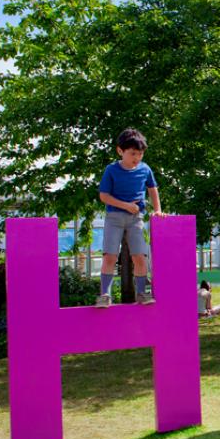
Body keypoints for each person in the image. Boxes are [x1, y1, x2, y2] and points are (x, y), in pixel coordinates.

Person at [96, 128, 163, 308]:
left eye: (140, 154)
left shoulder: (145, 169)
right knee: (110, 255)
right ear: (120, 151)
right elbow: (104, 196)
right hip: (114, 217)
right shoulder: (111, 170)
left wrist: (157, 210)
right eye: (133, 153)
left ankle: (142, 293)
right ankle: (105, 294)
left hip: (136, 219)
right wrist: (126, 206)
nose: (137, 158)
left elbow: (153, 189)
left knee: (140, 256)